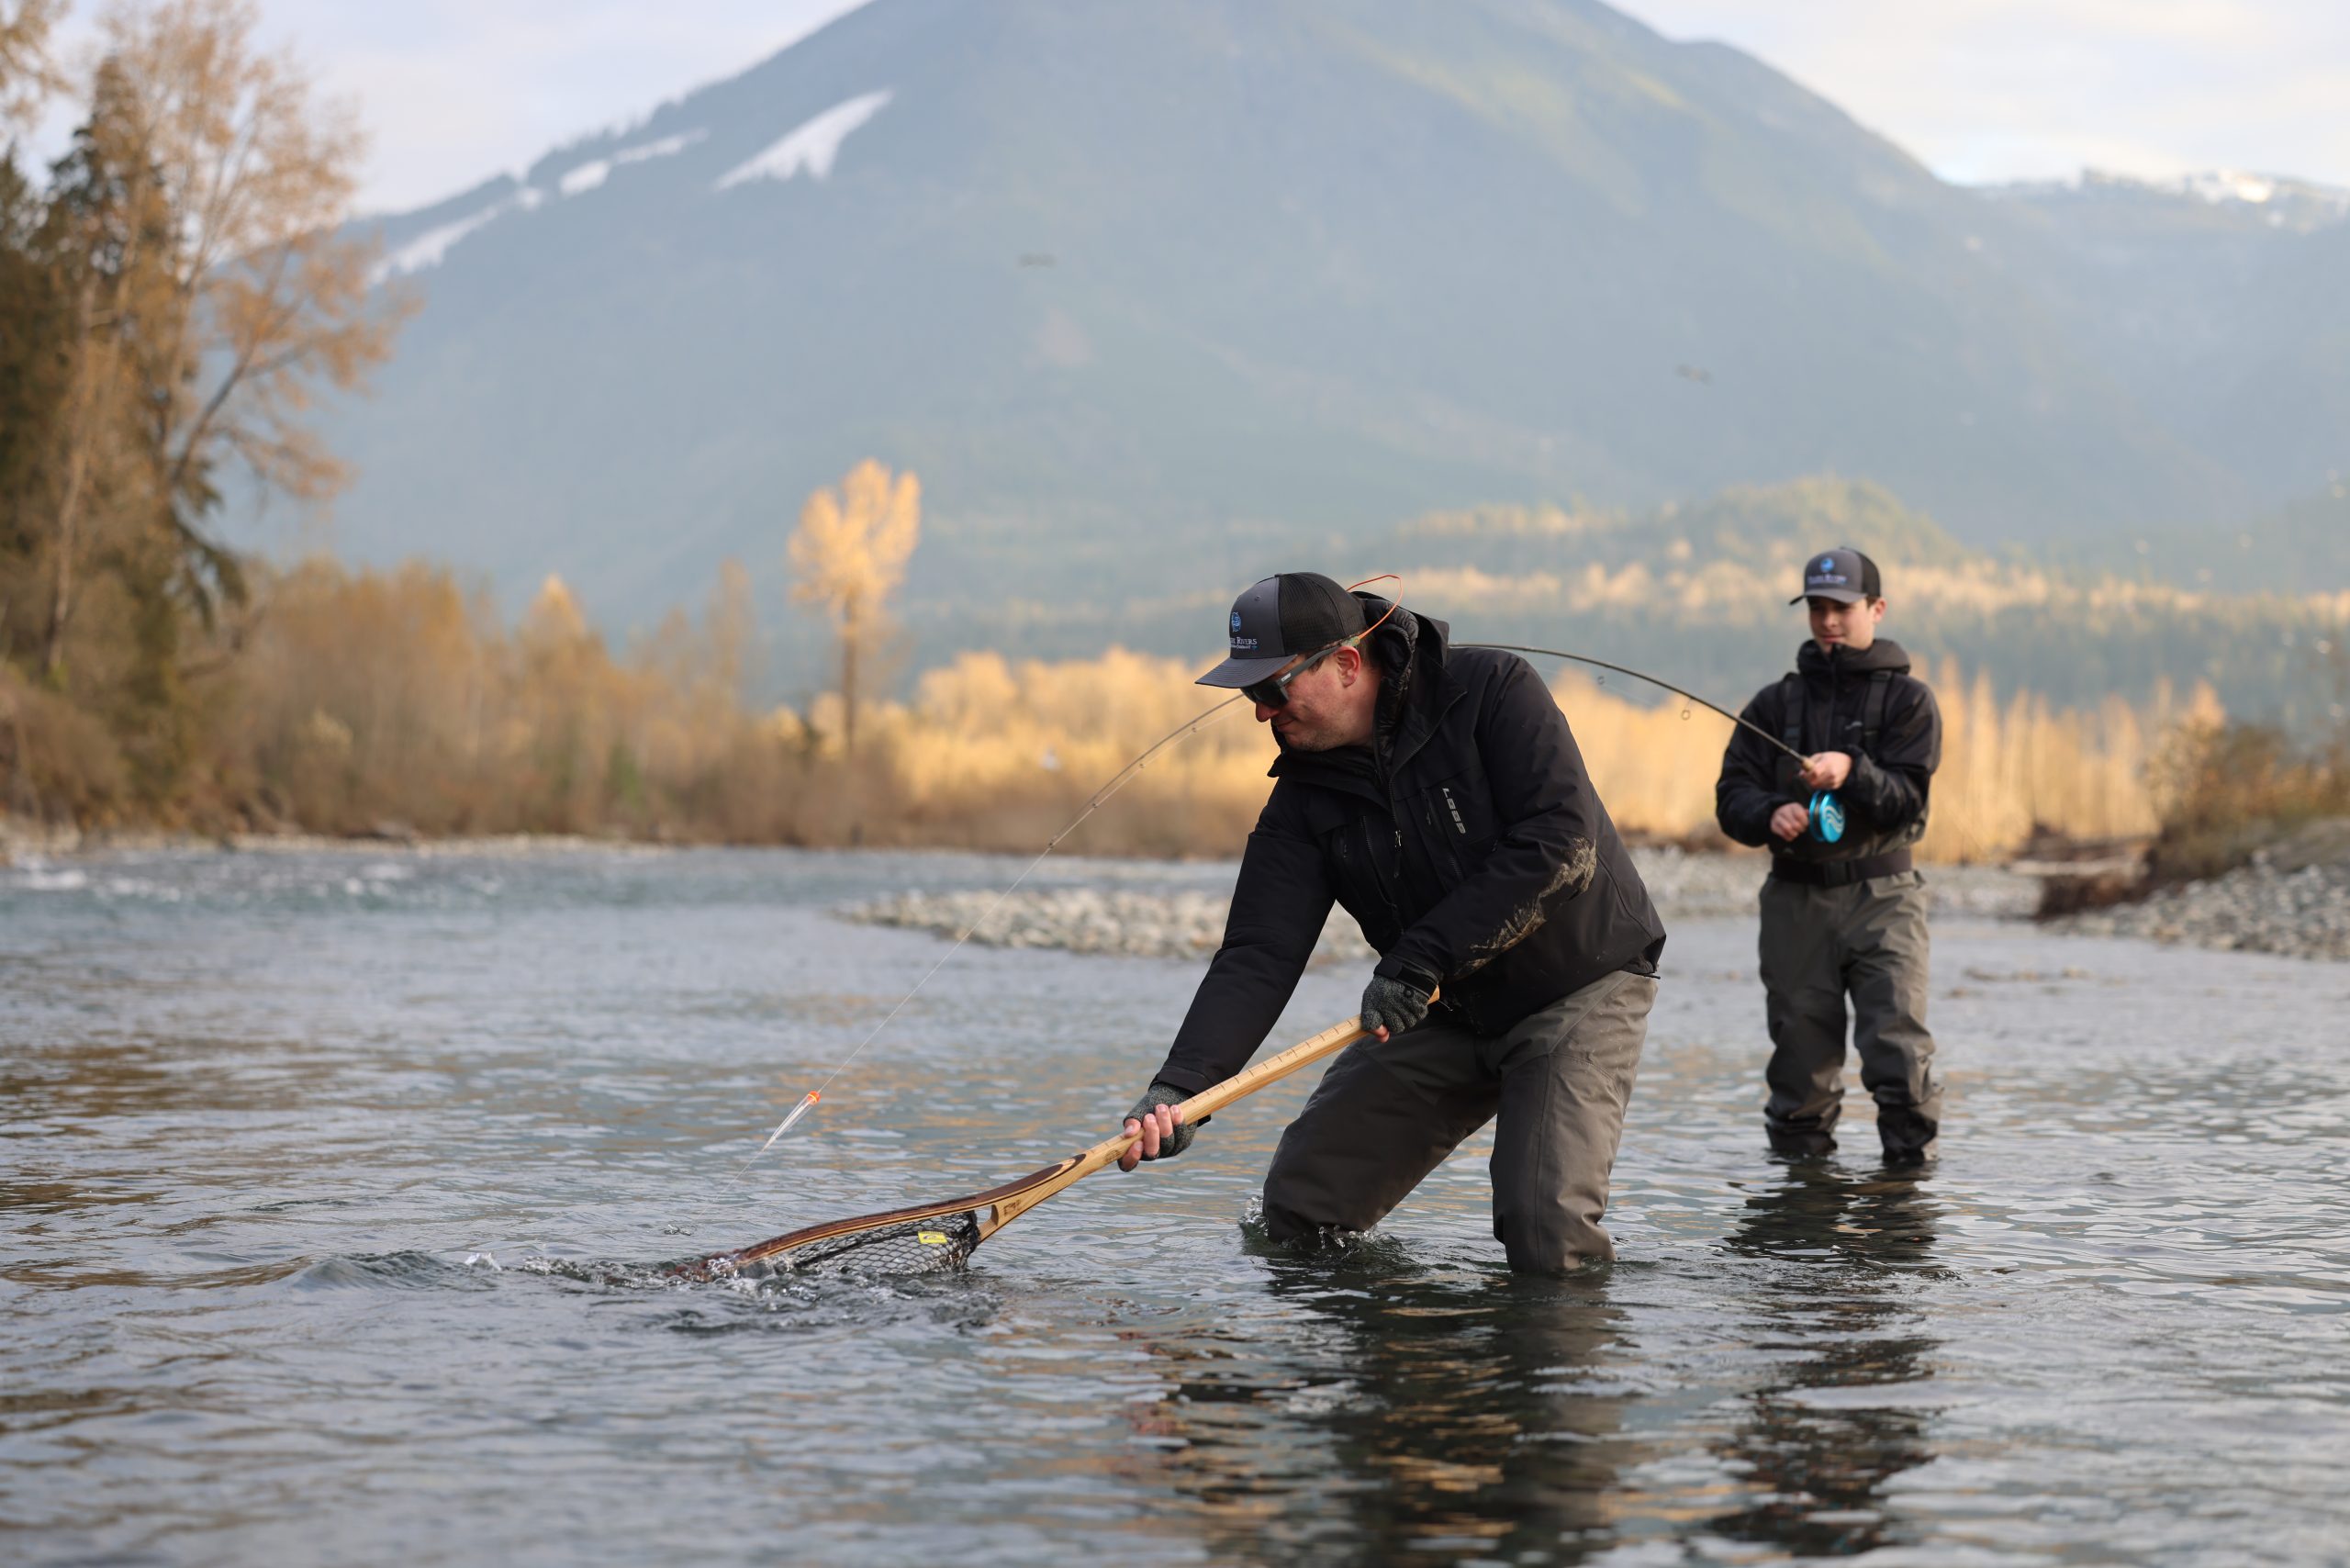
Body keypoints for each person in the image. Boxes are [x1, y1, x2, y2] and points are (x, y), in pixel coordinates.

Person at [1118, 572, 1666, 1273]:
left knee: (1544, 1227)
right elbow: (1259, 953)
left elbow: (1561, 847)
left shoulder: (1493, 690)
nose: (1262, 714)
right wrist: (1184, 1087)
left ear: (1347, 664)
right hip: (1442, 1003)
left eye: (1271, 689)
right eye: (1250, 695)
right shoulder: (1301, 800)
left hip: (1577, 984)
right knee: (1300, 1209)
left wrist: (1421, 957)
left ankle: (1554, 1340)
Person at [1713, 547, 1944, 1165]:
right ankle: (1803, 1203)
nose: (1828, 620)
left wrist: (1852, 771)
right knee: (1800, 1068)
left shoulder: (1909, 702)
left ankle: (1905, 1199)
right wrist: (1769, 813)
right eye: (1817, 608)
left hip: (1885, 900)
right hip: (1795, 901)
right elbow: (1731, 799)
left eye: (1841, 607)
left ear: (1876, 608)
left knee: (1898, 1053)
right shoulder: (1772, 706)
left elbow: (1906, 803)